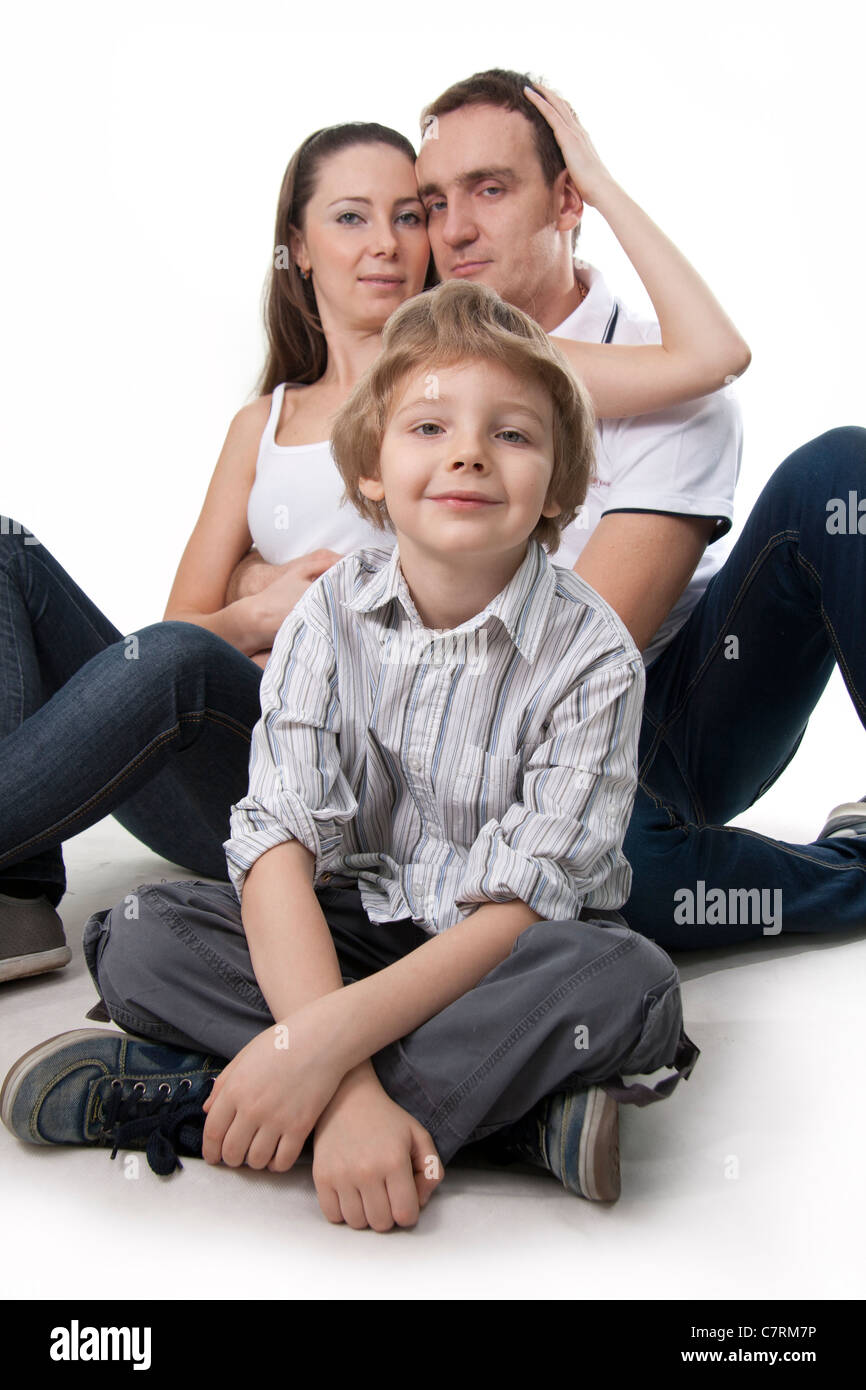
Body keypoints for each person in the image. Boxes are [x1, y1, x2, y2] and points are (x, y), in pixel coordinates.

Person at [0, 98, 750, 983]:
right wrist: (259, 608)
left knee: (171, 666)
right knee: (12, 551)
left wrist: (595, 181)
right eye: (352, 218)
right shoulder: (264, 421)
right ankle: (16, 887)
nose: (390, 243)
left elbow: (709, 358)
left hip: (368, 786)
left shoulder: (469, 374)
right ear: (300, 246)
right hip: (239, 756)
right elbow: (176, 637)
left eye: (411, 215)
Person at [2, 279, 701, 1227]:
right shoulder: (325, 619)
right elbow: (280, 846)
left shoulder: (594, 655)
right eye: (428, 428)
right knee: (138, 933)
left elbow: (519, 908)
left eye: (512, 433)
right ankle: (502, 1121)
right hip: (348, 933)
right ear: (369, 469)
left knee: (632, 989)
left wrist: (313, 1048)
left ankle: (209, 1091)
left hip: (499, 957)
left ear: (561, 487)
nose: (468, 452)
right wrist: (345, 1080)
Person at [411, 69, 866, 946]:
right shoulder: (422, 388)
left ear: (568, 198)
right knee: (607, 880)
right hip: (505, 756)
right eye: (433, 202)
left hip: (679, 717)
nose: (455, 229)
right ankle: (848, 868)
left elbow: (586, 646)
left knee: (839, 475)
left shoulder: (673, 381)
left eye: (491, 190)